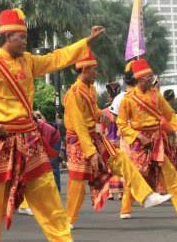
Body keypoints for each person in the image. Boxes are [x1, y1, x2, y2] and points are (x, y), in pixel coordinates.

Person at [0, 8, 98, 242]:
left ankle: (63, 239)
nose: (25, 42)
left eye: (25, 37)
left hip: (28, 136)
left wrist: (84, 42)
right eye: (21, 37)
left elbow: (57, 58)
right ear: (7, 36)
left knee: (44, 188)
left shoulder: (29, 62)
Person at [63, 53, 170, 225]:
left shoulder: (89, 89)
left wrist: (100, 115)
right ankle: (68, 221)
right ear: (84, 70)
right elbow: (78, 125)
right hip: (79, 141)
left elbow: (91, 111)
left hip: (94, 137)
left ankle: (146, 196)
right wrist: (91, 152)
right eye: (93, 70)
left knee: (123, 162)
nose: (96, 73)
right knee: (77, 184)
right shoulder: (73, 94)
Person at [117, 59, 177, 221]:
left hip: (156, 141)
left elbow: (170, 115)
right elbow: (121, 124)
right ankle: (126, 207)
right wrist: (137, 136)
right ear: (141, 79)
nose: (152, 79)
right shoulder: (128, 100)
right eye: (149, 77)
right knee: (136, 175)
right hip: (138, 142)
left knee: (171, 175)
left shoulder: (156, 96)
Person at [34, 111, 63, 192]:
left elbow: (45, 143)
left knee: (53, 165)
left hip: (55, 140)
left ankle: (56, 189)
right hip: (49, 141)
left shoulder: (43, 125)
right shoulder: (34, 126)